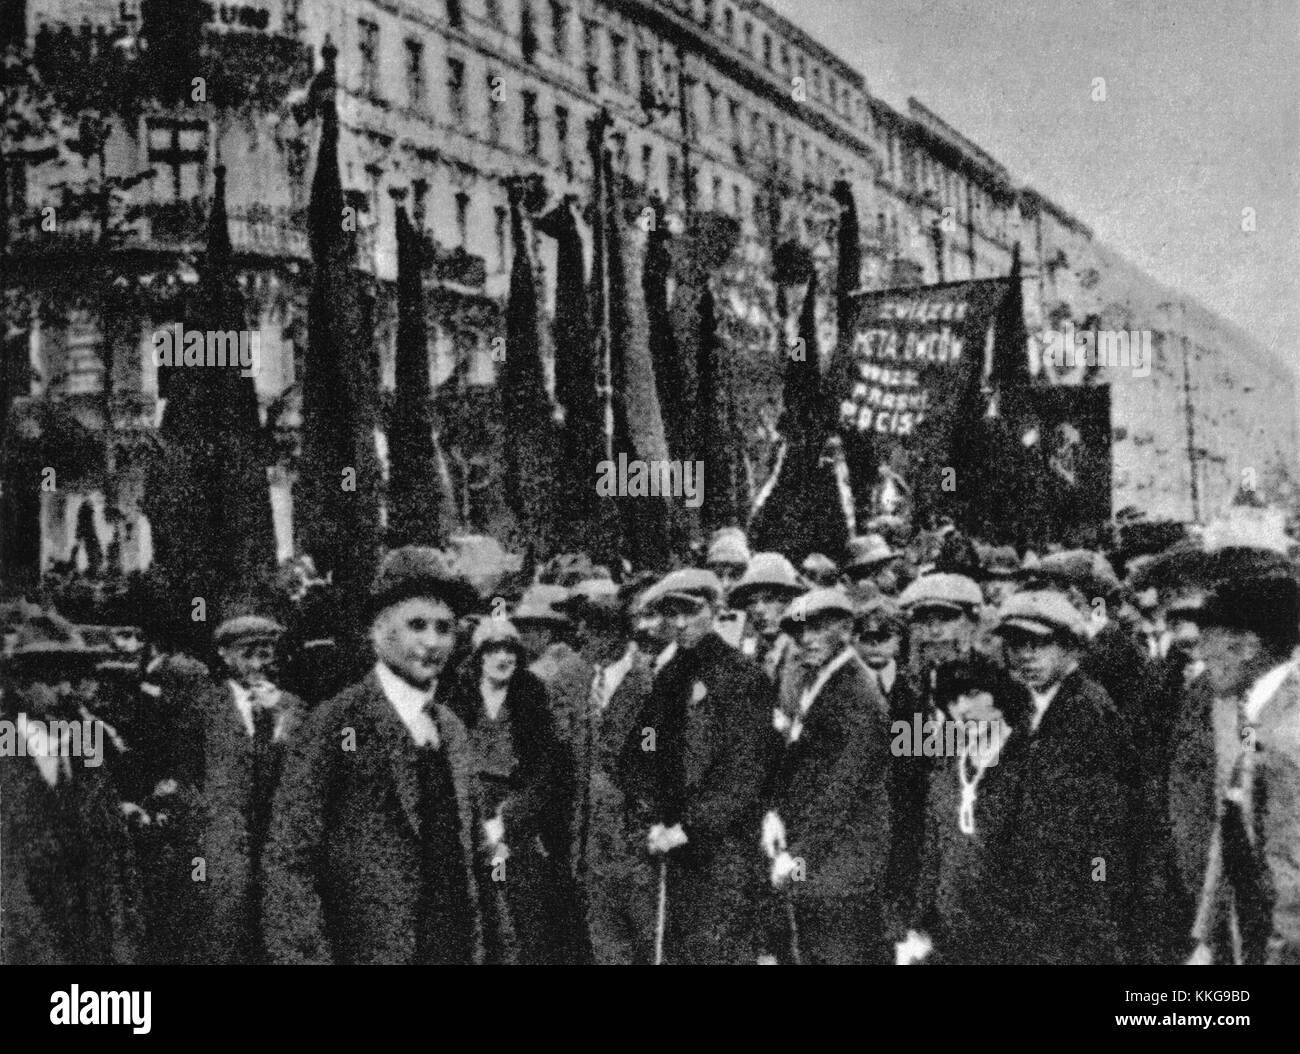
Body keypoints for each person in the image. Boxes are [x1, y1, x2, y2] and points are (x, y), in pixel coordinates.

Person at [262, 547, 484, 964]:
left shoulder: (451, 730)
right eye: (416, 625)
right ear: (379, 630)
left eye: (444, 628)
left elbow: (479, 863)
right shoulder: (334, 724)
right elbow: (289, 864)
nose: (432, 642)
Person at [619, 569, 773, 964]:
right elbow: (643, 746)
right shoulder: (672, 674)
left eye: (692, 611)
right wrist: (650, 813)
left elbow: (744, 772)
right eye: (672, 614)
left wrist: (689, 826)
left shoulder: (743, 678)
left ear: (716, 610)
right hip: (673, 848)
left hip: (725, 853)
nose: (682, 623)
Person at [148, 603, 306, 964]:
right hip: (220, 847)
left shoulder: (294, 708)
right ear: (225, 655)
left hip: (276, 846)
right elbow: (184, 775)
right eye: (246, 655)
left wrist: (278, 721)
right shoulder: (203, 707)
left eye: (264, 655)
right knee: (222, 937)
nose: (256, 665)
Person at [444, 618, 589, 964]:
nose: (502, 657)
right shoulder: (458, 698)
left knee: (518, 915)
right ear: (478, 656)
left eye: (509, 649)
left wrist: (508, 818)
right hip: (467, 815)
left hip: (517, 820)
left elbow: (546, 771)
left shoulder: (532, 697)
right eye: (493, 649)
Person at [761, 588, 892, 964]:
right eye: (799, 630)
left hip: (842, 865)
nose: (807, 639)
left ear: (847, 629)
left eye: (819, 628)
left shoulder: (857, 694)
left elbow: (842, 789)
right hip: (815, 860)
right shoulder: (816, 680)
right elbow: (795, 762)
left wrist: (797, 858)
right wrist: (774, 814)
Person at [0, 616, 141, 964]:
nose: (64, 690)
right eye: (50, 678)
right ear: (19, 682)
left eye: (71, 677)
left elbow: (115, 851)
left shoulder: (87, 739)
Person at [1185, 564, 1300, 964]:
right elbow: (1230, 831)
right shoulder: (1259, 713)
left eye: (1208, 640)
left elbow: (1292, 881)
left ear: (1248, 647)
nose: (1199, 653)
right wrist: (1206, 939)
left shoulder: (1286, 739)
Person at [547, 579, 658, 964]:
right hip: (591, 852)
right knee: (606, 951)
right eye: (582, 626)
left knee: (648, 947)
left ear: (618, 635)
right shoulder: (577, 682)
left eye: (593, 627)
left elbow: (656, 764)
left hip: (638, 854)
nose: (581, 636)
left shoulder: (651, 686)